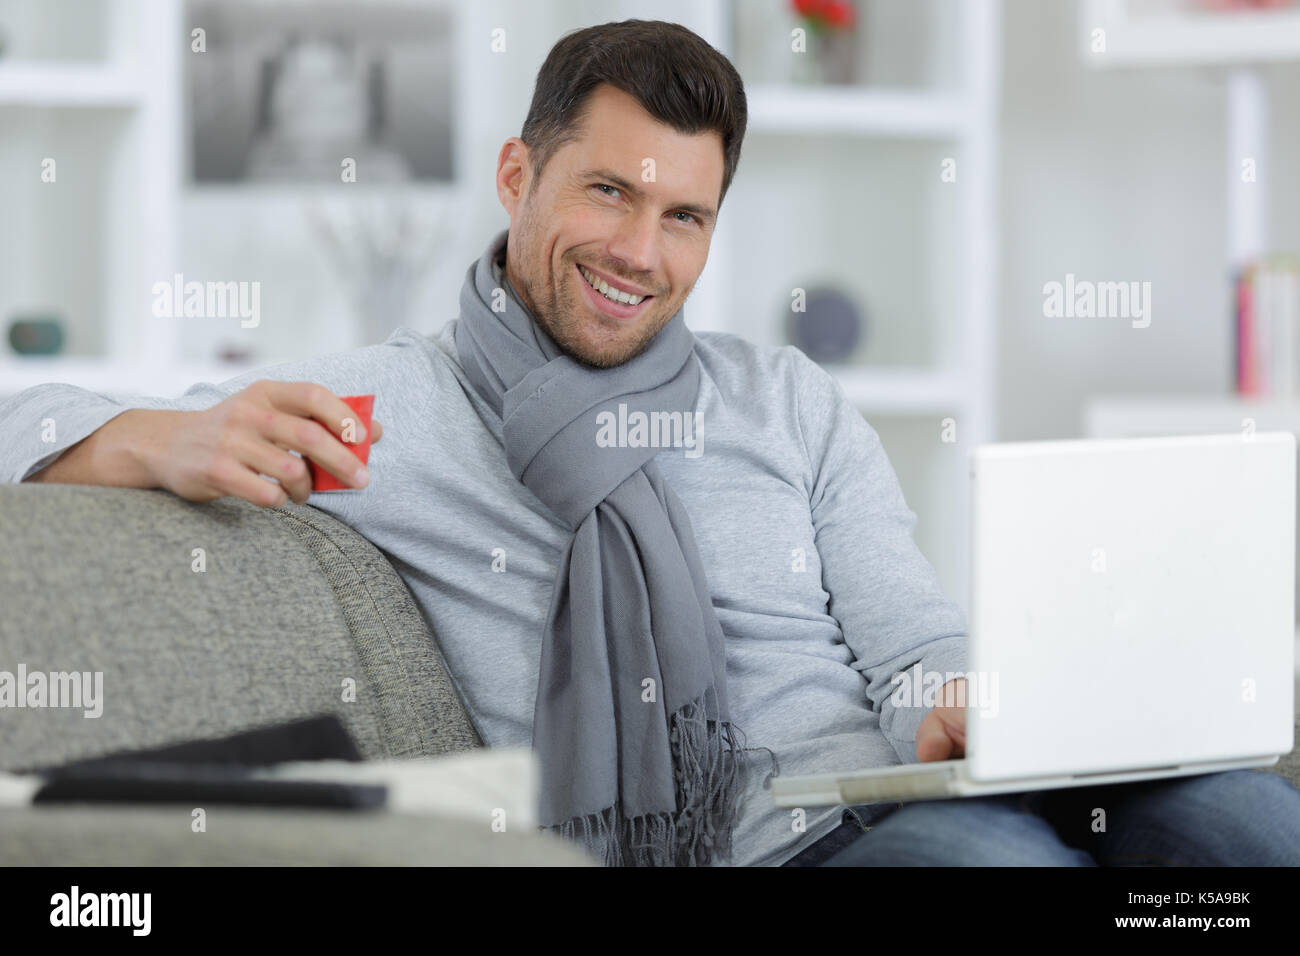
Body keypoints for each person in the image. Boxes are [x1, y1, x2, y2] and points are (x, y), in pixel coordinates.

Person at [3, 19, 1297, 867]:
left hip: (909, 794)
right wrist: (155, 437)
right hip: (775, 847)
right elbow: (21, 421)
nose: (640, 251)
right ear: (519, 175)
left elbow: (909, 634)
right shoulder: (382, 408)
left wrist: (942, 707)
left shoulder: (787, 397)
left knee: (1247, 822)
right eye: (608, 191)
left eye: (686, 215)